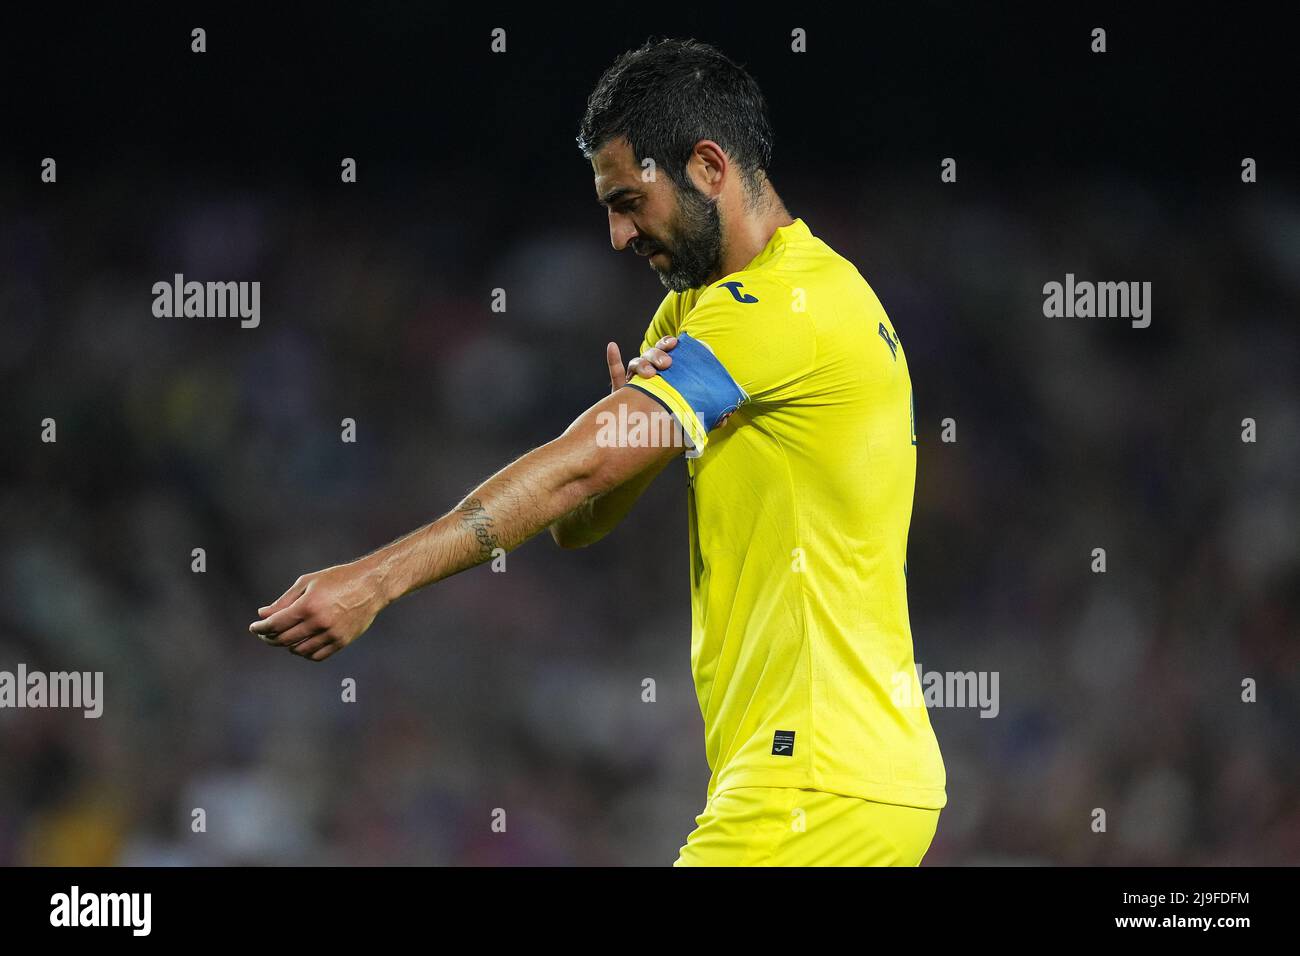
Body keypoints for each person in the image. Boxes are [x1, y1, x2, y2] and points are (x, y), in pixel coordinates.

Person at [251, 38, 946, 866]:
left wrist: (377, 579)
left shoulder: (784, 308)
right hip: (848, 777)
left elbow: (583, 462)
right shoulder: (712, 312)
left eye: (627, 201)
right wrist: (633, 443)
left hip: (812, 780)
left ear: (709, 165)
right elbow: (580, 523)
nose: (618, 236)